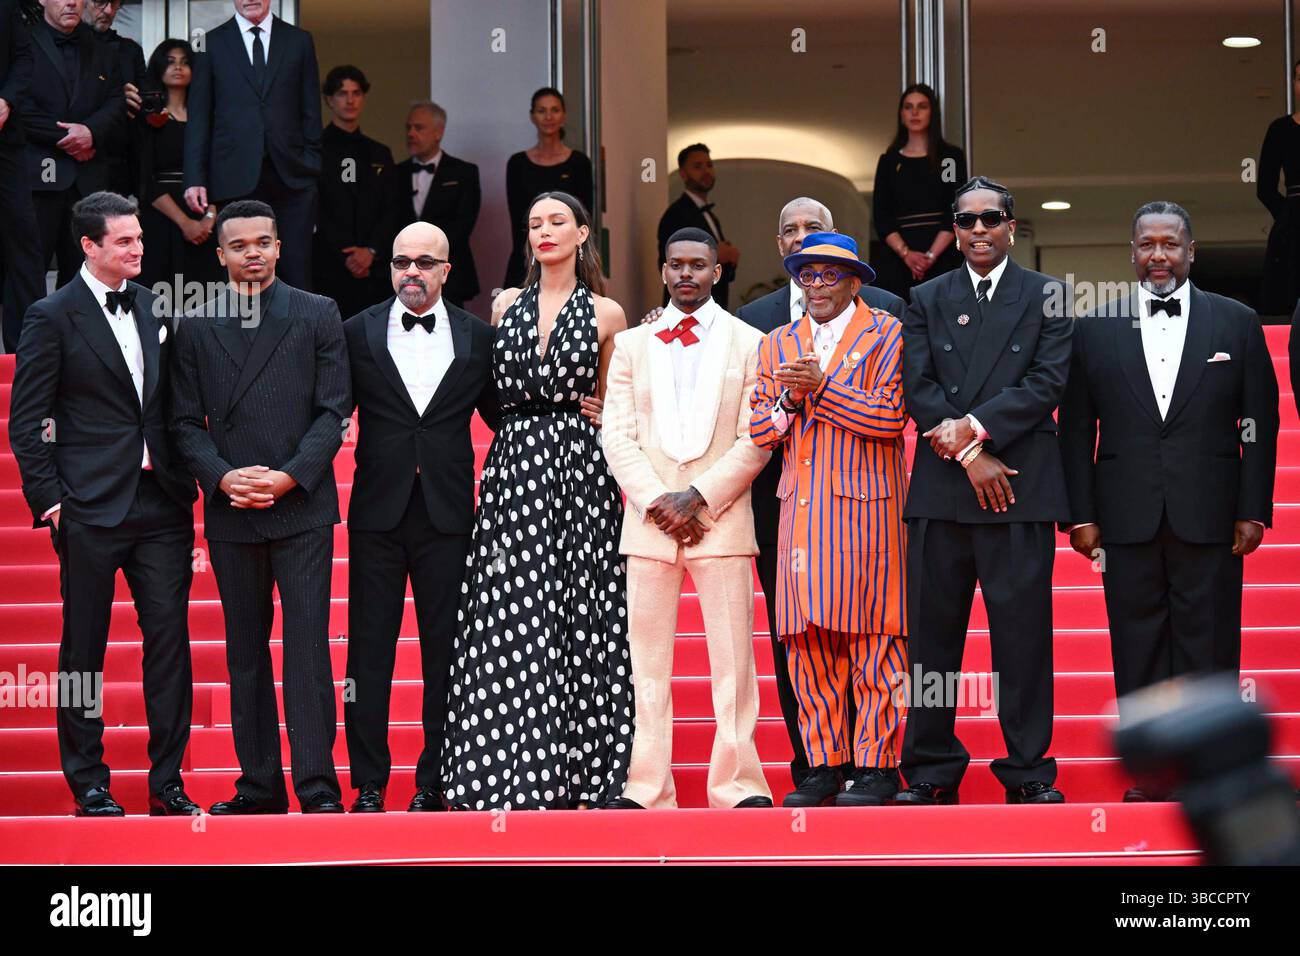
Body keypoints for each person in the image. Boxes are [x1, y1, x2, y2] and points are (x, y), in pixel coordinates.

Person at [1060, 201, 1279, 801]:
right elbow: (1076, 429)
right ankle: (1151, 775)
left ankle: (1212, 771)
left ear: (1191, 251)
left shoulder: (1235, 321)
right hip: (1124, 515)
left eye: (1171, 244)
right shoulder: (1094, 326)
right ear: (1131, 254)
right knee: (1137, 646)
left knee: (1209, 647)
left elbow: (1260, 417)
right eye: (1148, 244)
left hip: (1208, 513)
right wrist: (1079, 514)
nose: (1159, 255)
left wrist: (1253, 507)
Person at [8, 191, 199, 817]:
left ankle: (166, 782)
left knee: (169, 643)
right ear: (89, 247)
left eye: (139, 237)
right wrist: (51, 503)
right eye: (124, 241)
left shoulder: (151, 304)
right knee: (82, 649)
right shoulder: (51, 315)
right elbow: (28, 418)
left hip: (161, 503)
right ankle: (88, 781)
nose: (138, 248)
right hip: (89, 507)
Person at [441, 191, 633, 810]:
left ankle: (587, 771)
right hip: (515, 463)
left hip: (581, 467)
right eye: (534, 224)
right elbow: (492, 395)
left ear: (582, 234)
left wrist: (605, 415)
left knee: (583, 609)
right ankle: (505, 772)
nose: (543, 232)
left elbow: (614, 402)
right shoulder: (502, 306)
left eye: (557, 222)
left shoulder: (609, 314)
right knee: (511, 611)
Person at [169, 199, 351, 814]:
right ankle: (258, 787)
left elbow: (334, 410)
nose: (253, 254)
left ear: (279, 246)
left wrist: (288, 477)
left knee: (306, 649)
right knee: (244, 652)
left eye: (263, 243)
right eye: (239, 245)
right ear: (219, 254)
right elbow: (182, 423)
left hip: (301, 506)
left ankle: (317, 786)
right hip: (231, 509)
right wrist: (222, 479)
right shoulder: (193, 326)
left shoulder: (317, 312)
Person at [896, 176, 1070, 806]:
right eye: (964, 221)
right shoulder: (927, 296)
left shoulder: (1048, 295)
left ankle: (1028, 770)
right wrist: (972, 453)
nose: (976, 231)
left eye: (988, 220)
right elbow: (918, 389)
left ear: (1010, 227)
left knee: (1022, 637)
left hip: (1019, 487)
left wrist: (975, 428)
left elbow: (1047, 382)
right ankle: (930, 771)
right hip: (944, 493)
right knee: (933, 642)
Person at [734, 196, 904, 789]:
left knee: (875, 636)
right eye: (809, 275)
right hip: (800, 513)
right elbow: (759, 429)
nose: (819, 285)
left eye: (832, 275)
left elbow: (888, 419)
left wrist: (821, 389)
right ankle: (825, 764)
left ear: (856, 281)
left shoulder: (887, 332)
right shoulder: (775, 342)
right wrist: (788, 399)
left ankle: (877, 767)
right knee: (806, 638)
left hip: (868, 513)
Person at [602, 227, 772, 810]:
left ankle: (737, 785)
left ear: (716, 272)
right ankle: (647, 788)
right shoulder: (631, 344)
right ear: (663, 270)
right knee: (645, 667)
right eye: (676, 265)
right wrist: (660, 503)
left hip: (721, 520)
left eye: (698, 265)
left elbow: (758, 439)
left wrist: (697, 497)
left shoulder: (752, 342)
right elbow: (617, 436)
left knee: (734, 666)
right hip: (651, 526)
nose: (686, 274)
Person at [342, 222, 499, 814]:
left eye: (425, 262)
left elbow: (506, 417)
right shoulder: (356, 332)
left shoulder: (478, 337)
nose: (412, 271)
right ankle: (370, 784)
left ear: (446, 271)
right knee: (369, 654)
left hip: (449, 515)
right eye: (402, 261)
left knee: (446, 653)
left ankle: (436, 781)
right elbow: (329, 407)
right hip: (377, 514)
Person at [182, 0, 322, 291]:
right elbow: (199, 116)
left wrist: (311, 163)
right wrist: (195, 178)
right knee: (241, 272)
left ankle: (298, 337)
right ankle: (243, 336)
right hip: (234, 177)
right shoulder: (210, 43)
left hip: (292, 176)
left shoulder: (299, 41)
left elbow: (311, 110)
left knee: (295, 269)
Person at [22, 0, 125, 289]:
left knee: (87, 276)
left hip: (88, 180)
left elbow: (116, 100)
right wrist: (70, 139)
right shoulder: (22, 44)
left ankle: (78, 335)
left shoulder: (103, 48)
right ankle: (28, 337)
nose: (72, 2)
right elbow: (17, 104)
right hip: (37, 178)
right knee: (28, 273)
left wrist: (91, 131)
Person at [136, 39, 221, 292]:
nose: (178, 68)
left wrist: (208, 219)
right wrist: (185, 223)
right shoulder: (146, 116)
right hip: (161, 216)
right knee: (159, 296)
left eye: (185, 62)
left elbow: (221, 170)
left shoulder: (209, 117)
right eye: (171, 62)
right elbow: (144, 177)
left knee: (207, 297)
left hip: (205, 215)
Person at [871, 84, 967, 302]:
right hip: (897, 259)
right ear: (901, 114)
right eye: (908, 107)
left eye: (922, 106)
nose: (914, 112)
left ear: (932, 112)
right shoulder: (889, 162)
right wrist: (906, 254)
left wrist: (930, 256)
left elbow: (955, 207)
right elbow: (881, 215)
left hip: (944, 255)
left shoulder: (949, 158)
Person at [314, 65, 393, 319]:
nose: (349, 100)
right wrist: (346, 253)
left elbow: (393, 207)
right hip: (327, 266)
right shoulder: (313, 151)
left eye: (356, 93)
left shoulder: (380, 153)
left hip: (375, 269)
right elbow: (313, 207)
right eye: (341, 93)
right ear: (328, 99)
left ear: (363, 97)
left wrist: (370, 251)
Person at [385, 101, 478, 308]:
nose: (411, 133)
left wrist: (429, 258)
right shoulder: (395, 172)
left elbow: (464, 224)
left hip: (450, 274)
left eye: (419, 128)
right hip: (403, 273)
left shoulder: (464, 172)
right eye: (408, 127)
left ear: (438, 132)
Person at [502, 87, 593, 289]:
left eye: (555, 110)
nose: (548, 116)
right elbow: (517, 222)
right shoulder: (517, 164)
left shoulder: (579, 163)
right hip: (526, 259)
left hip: (572, 261)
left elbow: (585, 218)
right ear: (532, 116)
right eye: (541, 111)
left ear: (564, 115)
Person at [0, 0, 45, 352]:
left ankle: (28, 352)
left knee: (23, 242)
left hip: (6, 141)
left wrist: (7, 100)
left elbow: (23, 58)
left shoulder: (6, 7)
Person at [657, 143, 739, 309]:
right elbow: (668, 266)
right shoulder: (676, 214)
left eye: (709, 165)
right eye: (697, 166)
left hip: (712, 308)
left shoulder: (710, 215)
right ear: (683, 174)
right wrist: (717, 252)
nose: (706, 171)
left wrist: (730, 260)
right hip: (688, 311)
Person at [82, 0, 144, 199]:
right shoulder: (62, 44)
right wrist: (115, 96)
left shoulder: (129, 50)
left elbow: (143, 100)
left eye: (115, 4)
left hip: (118, 160)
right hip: (74, 157)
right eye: (100, 2)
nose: (108, 11)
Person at [1258, 60, 1300, 317]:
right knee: (1288, 288)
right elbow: (1264, 187)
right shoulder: (1280, 130)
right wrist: (1288, 216)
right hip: (1293, 224)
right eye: (1299, 78)